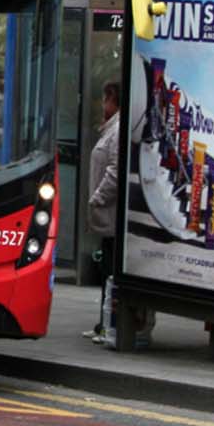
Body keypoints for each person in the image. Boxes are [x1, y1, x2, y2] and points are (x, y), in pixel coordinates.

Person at [87, 81, 122, 342]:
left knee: (110, 271)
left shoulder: (118, 130)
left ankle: (110, 324)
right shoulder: (110, 129)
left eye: (104, 99)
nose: (102, 105)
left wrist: (97, 198)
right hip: (105, 215)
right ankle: (104, 323)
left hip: (111, 214)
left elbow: (115, 171)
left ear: (113, 100)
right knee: (106, 270)